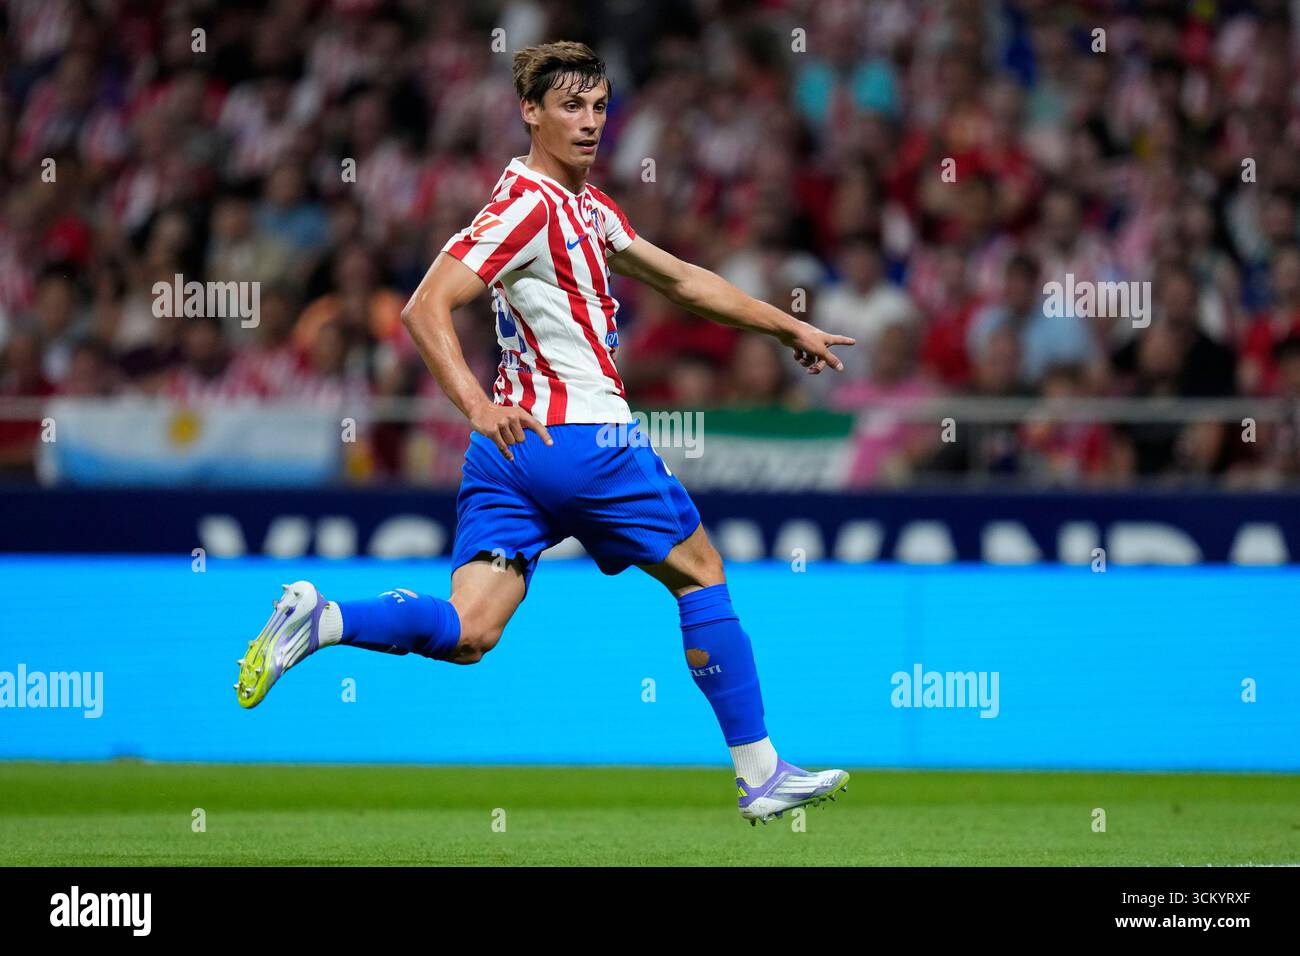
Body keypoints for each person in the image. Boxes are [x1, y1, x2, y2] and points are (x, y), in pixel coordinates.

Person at [233, 42, 854, 825]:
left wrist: (785, 326)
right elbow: (425, 305)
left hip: (510, 457)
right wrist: (473, 402)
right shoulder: (526, 205)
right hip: (584, 440)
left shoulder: (589, 208)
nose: (590, 122)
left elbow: (684, 281)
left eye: (599, 106)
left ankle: (322, 619)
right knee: (699, 571)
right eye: (571, 106)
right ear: (530, 111)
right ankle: (760, 774)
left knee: (470, 630)